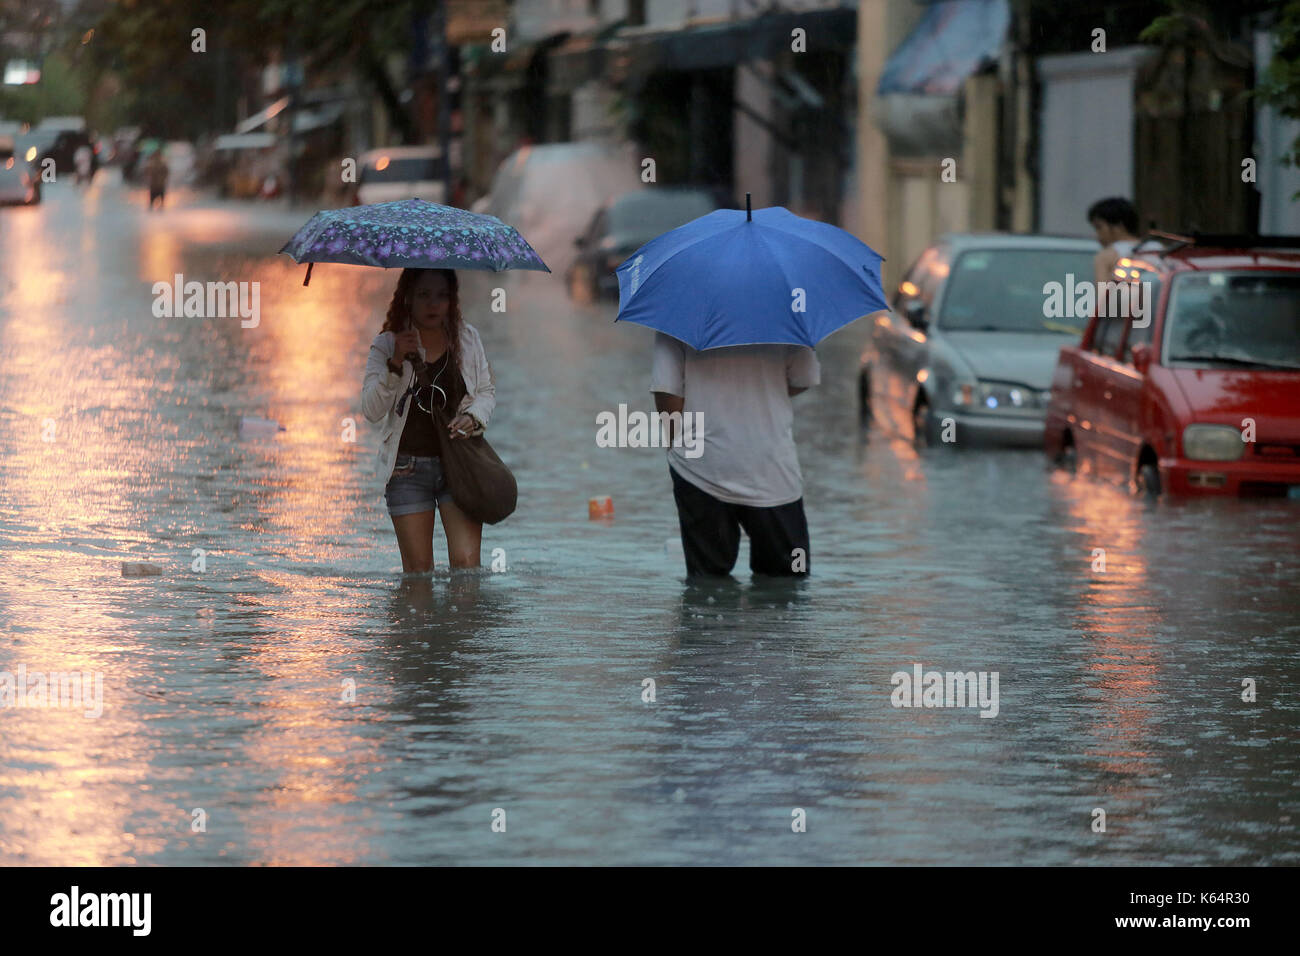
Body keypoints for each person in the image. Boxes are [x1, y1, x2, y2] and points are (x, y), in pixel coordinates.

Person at [361, 268, 497, 573]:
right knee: (419, 577)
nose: (433, 304)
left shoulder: (468, 339)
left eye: (441, 296)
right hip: (406, 471)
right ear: (407, 298)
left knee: (467, 571)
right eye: (424, 295)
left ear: (452, 301)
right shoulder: (386, 344)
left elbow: (486, 392)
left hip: (459, 465)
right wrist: (395, 362)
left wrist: (473, 417)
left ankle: (459, 624)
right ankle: (422, 623)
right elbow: (371, 410)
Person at [651, 334, 819, 578]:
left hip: (701, 470)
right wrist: (763, 388)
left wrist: (675, 445)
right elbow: (805, 378)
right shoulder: (787, 313)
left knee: (706, 584)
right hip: (774, 474)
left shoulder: (677, 314)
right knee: (793, 573)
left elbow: (666, 391)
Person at [1087, 197, 1140, 288]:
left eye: (1099, 227)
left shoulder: (1106, 256)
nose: (1098, 235)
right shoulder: (1157, 249)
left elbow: (1103, 296)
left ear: (1118, 225)